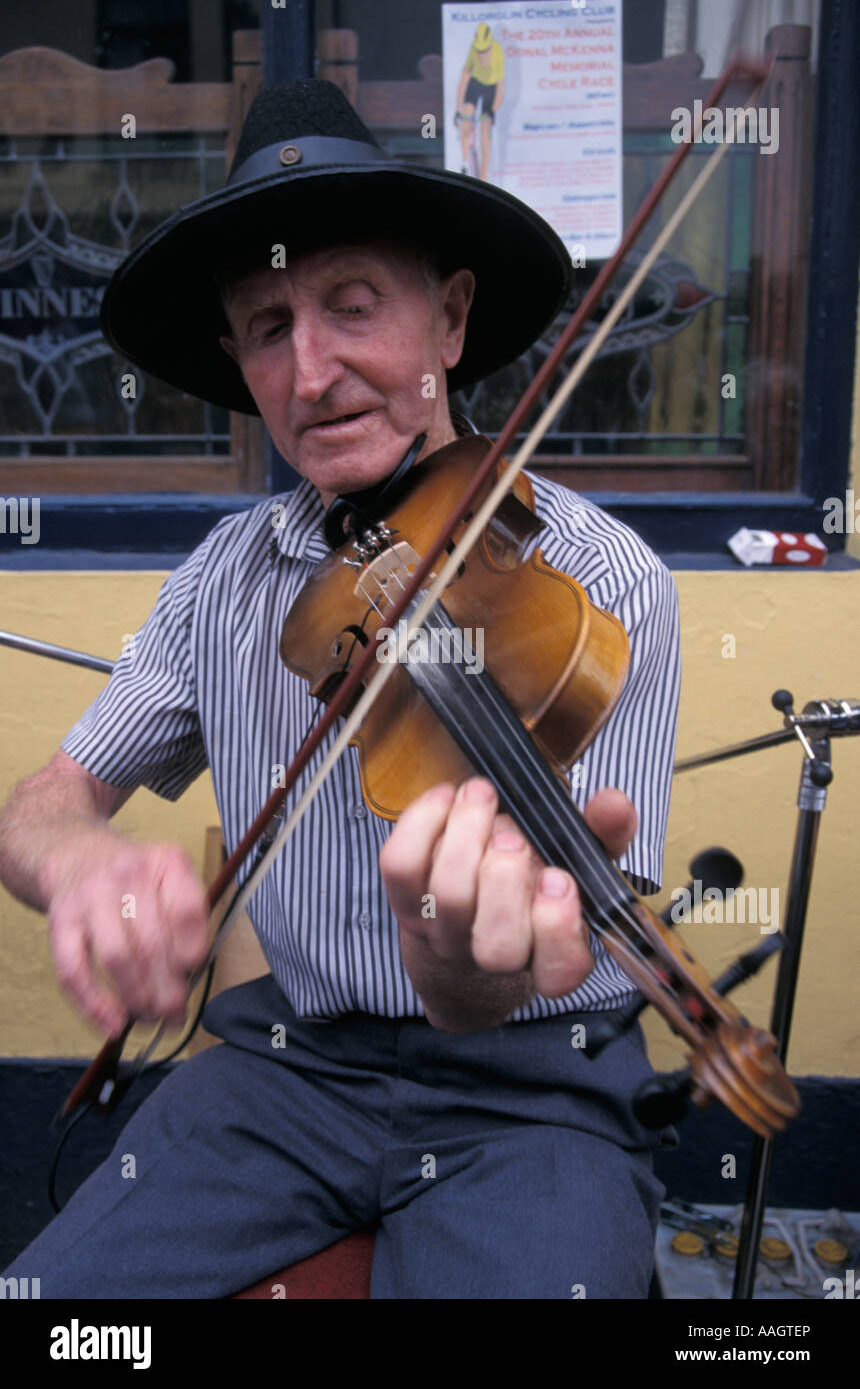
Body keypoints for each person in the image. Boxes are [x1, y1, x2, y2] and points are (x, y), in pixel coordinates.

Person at [0, 80, 680, 1299]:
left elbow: (566, 956)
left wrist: (471, 970)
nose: (312, 372)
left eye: (351, 305)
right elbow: (39, 807)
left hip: (532, 1092)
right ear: (240, 364)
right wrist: (79, 864)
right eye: (268, 325)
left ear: (451, 320)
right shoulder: (224, 578)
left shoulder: (600, 582)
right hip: (291, 1073)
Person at [456, 21, 505, 179]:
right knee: (465, 121)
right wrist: (458, 110)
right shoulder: (473, 50)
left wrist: (493, 110)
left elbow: (501, 87)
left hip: (490, 88)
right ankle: (464, 165)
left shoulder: (497, 52)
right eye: (479, 51)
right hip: (476, 84)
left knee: (485, 133)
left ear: (490, 48)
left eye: (484, 51)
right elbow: (464, 80)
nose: (481, 55)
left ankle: (483, 179)